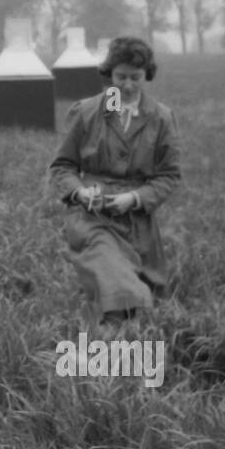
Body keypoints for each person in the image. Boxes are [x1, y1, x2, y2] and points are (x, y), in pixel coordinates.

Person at [48, 35, 181, 329]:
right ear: (109, 74)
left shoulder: (161, 118)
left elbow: (169, 175)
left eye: (136, 77)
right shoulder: (85, 112)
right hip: (93, 217)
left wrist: (134, 198)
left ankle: (128, 320)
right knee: (116, 280)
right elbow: (63, 166)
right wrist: (80, 193)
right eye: (121, 76)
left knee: (147, 295)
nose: (128, 85)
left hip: (139, 224)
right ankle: (115, 333)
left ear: (147, 74)